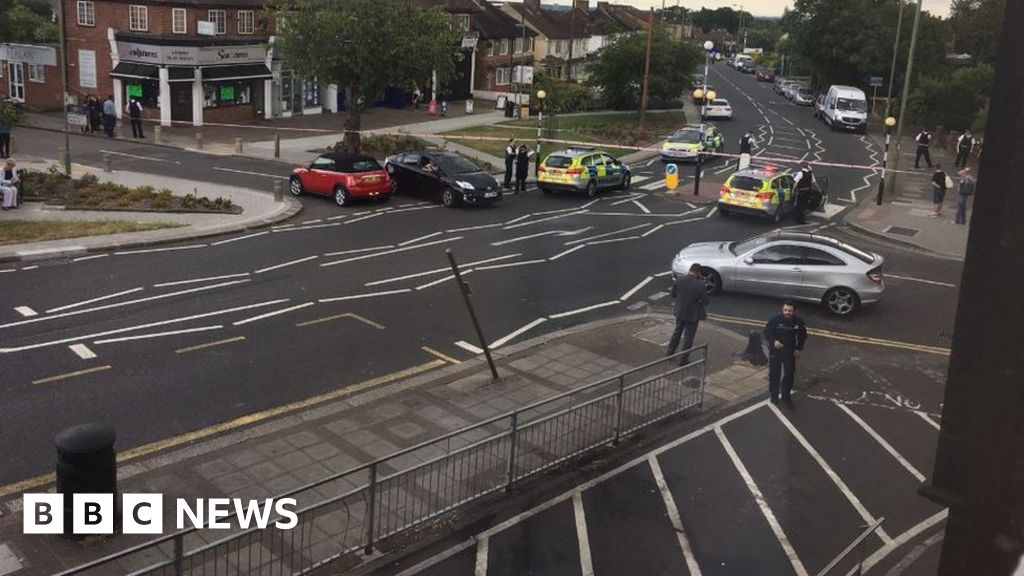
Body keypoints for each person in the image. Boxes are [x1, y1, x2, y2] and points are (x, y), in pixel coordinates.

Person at [763, 300, 807, 408]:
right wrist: (774, 341)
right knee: (774, 374)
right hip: (776, 351)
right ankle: (774, 396)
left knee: (789, 375)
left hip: (789, 351)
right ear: (782, 309)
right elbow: (767, 332)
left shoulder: (799, 322)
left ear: (794, 311)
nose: (787, 312)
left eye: (790, 311)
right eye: (785, 310)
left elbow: (803, 335)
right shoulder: (775, 320)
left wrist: (798, 348)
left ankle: (786, 397)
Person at [666, 263, 709, 366]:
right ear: (698, 273)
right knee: (688, 337)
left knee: (677, 332)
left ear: (690, 270)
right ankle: (683, 359)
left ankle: (669, 353)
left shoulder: (679, 279)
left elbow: (672, 294)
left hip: (680, 311)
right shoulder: (700, 285)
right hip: (692, 315)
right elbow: (706, 301)